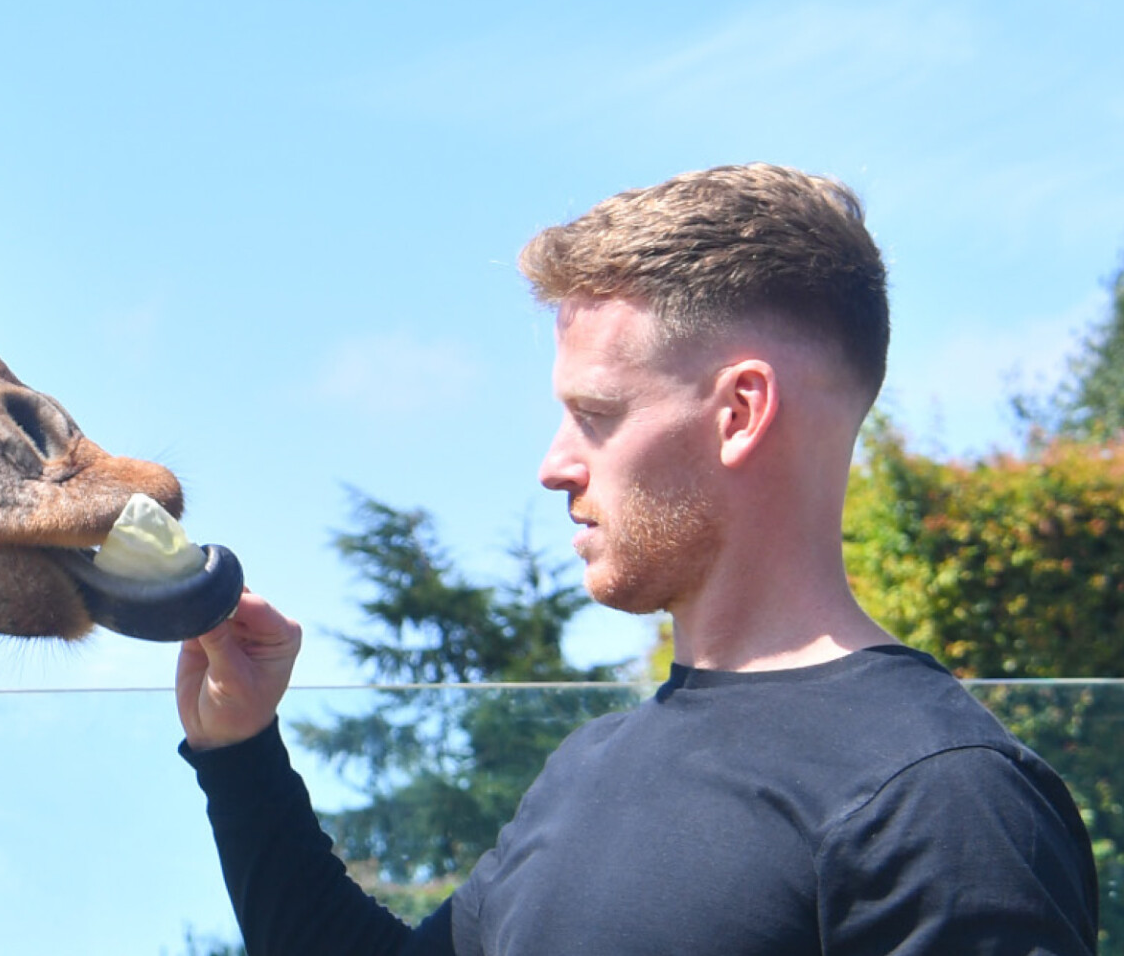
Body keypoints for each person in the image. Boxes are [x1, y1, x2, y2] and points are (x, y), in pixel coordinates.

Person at [176, 164, 1099, 955]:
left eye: (599, 415)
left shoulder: (945, 799)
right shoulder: (592, 766)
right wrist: (241, 751)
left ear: (739, 413)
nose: (554, 465)